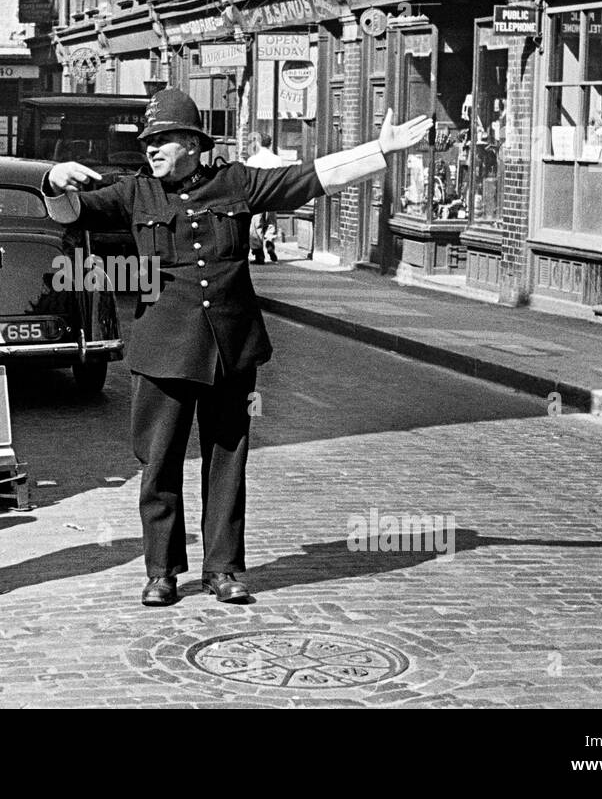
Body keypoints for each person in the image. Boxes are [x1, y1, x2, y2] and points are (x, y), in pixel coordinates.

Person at [42, 88, 431, 606]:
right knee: (159, 462)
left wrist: (379, 152)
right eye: (147, 142)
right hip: (163, 350)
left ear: (195, 144)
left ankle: (223, 568)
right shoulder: (134, 193)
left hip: (231, 349)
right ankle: (162, 571)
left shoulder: (236, 182)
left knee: (227, 459)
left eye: (162, 140)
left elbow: (310, 177)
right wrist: (53, 181)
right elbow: (69, 215)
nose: (150, 150)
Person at [244, 133, 287, 264]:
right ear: (270, 143)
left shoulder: (253, 160)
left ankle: (258, 254)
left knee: (256, 224)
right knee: (271, 221)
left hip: (257, 195)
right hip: (272, 195)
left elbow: (248, 179)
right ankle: (270, 242)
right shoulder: (277, 159)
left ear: (258, 143)